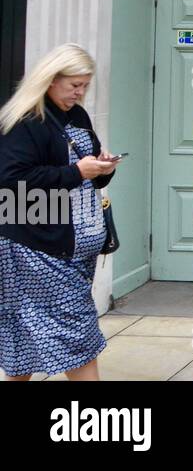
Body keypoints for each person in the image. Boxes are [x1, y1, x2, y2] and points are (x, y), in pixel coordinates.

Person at [0, 43, 120, 381]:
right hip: (35, 244)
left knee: (23, 341)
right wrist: (77, 173)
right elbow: (10, 181)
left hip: (70, 245)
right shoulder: (26, 121)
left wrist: (103, 168)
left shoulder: (77, 116)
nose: (80, 93)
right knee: (77, 334)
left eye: (85, 85)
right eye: (74, 85)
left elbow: (87, 171)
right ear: (51, 80)